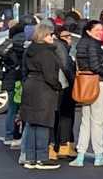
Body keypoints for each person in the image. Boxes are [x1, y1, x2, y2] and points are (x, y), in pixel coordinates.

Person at [69, 18, 103, 168]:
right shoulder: (93, 45)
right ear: (88, 31)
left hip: (84, 84)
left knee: (85, 121)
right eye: (97, 30)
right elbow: (96, 67)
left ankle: (80, 155)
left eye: (101, 30)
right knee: (98, 121)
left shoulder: (81, 44)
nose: (100, 32)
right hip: (98, 84)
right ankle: (98, 155)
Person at [19, 25, 67, 170]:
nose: (52, 37)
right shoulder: (46, 53)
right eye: (49, 35)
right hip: (43, 89)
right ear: (43, 36)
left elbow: (24, 70)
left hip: (30, 85)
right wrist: (58, 86)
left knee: (32, 122)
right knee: (43, 123)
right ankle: (41, 158)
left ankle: (30, 157)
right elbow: (50, 75)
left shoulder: (30, 50)